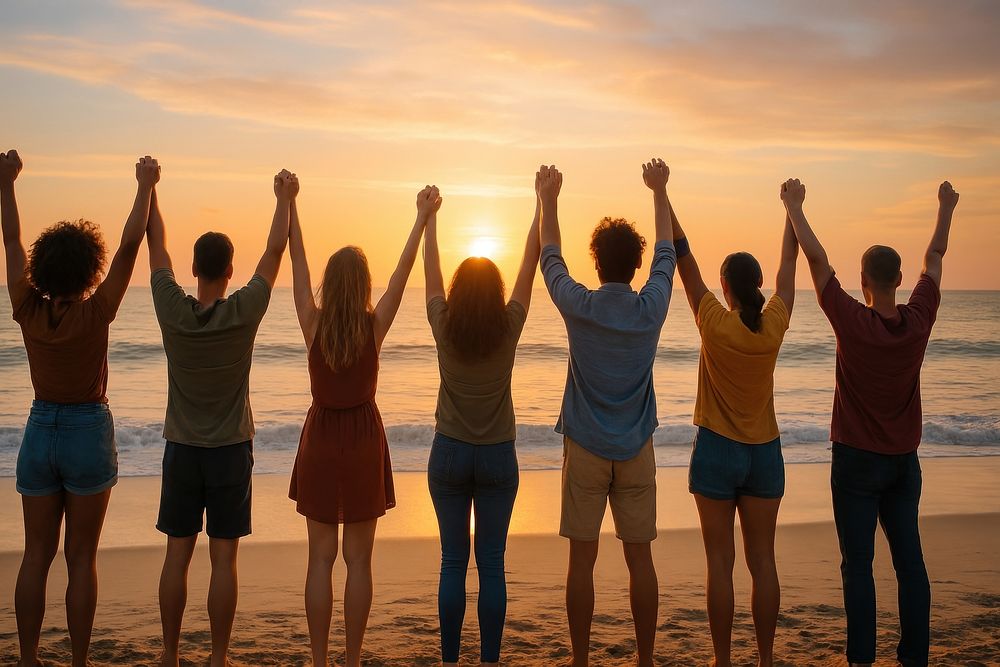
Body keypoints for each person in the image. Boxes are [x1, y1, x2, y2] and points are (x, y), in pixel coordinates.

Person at [781, 177, 960, 667]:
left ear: (863, 282)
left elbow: (817, 263)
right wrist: (945, 207)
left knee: (858, 564)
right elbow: (936, 258)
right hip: (904, 462)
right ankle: (915, 656)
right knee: (910, 562)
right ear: (898, 280)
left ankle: (861, 658)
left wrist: (794, 207)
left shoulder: (852, 320)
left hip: (856, 462)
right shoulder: (918, 319)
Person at [1, 149, 160, 666]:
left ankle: (27, 659)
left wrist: (7, 184)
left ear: (44, 268)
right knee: (81, 558)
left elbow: (11, 242)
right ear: (88, 268)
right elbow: (131, 245)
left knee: (35, 558)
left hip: (39, 428)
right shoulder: (97, 311)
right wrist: (144, 186)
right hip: (88, 429)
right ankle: (78, 661)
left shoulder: (26, 307)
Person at [147, 169, 296, 667]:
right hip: (231, 450)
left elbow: (156, 248)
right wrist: (284, 198)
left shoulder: (171, 309)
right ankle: (217, 656)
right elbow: (275, 253)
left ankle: (169, 655)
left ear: (195, 268)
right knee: (223, 560)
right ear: (230, 270)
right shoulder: (243, 312)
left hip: (183, 449)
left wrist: (149, 188)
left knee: (177, 556)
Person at [286, 182, 432, 667]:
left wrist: (290, 208)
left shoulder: (313, 321)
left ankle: (320, 659)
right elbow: (402, 275)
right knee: (358, 561)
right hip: (364, 440)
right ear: (363, 283)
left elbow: (298, 272)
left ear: (331, 282)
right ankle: (351, 659)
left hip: (322, 440)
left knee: (320, 559)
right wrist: (421, 218)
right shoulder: (374, 325)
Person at [539, 160, 676, 667]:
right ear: (634, 266)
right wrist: (659, 190)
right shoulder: (651, 308)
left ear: (595, 262)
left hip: (586, 449)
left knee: (582, 561)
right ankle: (644, 659)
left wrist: (547, 197)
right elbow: (669, 253)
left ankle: (580, 659)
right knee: (640, 559)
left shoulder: (581, 305)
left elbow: (549, 259)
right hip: (637, 447)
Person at [670, 172, 799, 667]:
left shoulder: (713, 320)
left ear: (725, 287)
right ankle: (765, 660)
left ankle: (723, 660)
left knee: (719, 565)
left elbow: (684, 257)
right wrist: (790, 208)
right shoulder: (774, 324)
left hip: (718, 451)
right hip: (764, 451)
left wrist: (664, 195)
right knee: (763, 563)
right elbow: (789, 266)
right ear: (758, 285)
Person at [422, 176, 541, 667]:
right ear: (495, 293)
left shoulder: (443, 324)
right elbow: (530, 262)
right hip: (497, 457)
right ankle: (488, 661)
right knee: (491, 564)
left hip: (448, 453)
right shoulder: (509, 326)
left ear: (457, 291)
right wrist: (542, 203)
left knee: (453, 562)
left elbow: (429, 272)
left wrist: (429, 220)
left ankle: (451, 661)